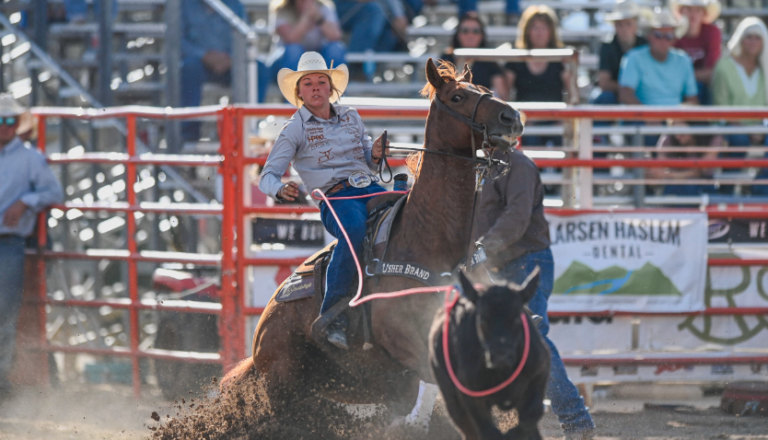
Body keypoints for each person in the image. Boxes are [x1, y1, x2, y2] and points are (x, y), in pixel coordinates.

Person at [258, 52, 388, 349]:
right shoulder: (294, 128)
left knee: (409, 214)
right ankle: (332, 316)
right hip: (336, 198)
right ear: (299, 91)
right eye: (308, 83)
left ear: (331, 88)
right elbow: (268, 176)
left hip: (369, 188)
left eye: (321, 81)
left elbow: (368, 158)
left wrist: (376, 153)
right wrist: (280, 190)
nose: (315, 87)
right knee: (353, 231)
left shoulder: (352, 116)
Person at [471, 146, 596, 440]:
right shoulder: (482, 165)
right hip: (502, 262)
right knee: (506, 338)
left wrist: (481, 249)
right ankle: (519, 419)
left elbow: (518, 215)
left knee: (532, 337)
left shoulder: (517, 164)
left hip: (522, 260)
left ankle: (576, 421)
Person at [0, 94, 63, 400]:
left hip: (9, 242)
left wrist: (27, 200)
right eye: (1, 121)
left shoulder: (29, 157)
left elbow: (53, 192)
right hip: (8, 245)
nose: (6, 126)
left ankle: (1, 379)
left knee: (4, 314)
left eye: (10, 121)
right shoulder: (28, 157)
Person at [182, 0, 270, 140]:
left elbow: (245, 37)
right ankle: (188, 133)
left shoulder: (235, 4)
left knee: (260, 69)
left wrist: (231, 58)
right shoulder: (186, 5)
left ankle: (248, 131)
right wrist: (205, 56)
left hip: (231, 64)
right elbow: (179, 41)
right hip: (200, 64)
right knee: (189, 68)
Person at [506, 5, 574, 146]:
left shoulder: (562, 58)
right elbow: (505, 96)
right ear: (527, 31)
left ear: (551, 31)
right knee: (527, 141)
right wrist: (519, 119)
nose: (539, 32)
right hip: (525, 121)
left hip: (556, 119)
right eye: (535, 27)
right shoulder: (515, 58)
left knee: (563, 140)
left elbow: (573, 94)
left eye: (544, 27)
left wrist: (561, 120)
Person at [619, 10, 698, 106]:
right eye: (658, 35)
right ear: (649, 36)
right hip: (642, 119)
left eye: (668, 36)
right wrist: (647, 117)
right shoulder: (634, 57)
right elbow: (625, 95)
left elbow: (693, 100)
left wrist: (678, 117)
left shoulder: (684, 59)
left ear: (674, 39)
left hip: (675, 119)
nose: (663, 41)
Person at [712, 17, 768, 149]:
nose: (753, 42)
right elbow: (721, 106)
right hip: (730, 127)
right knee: (740, 139)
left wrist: (760, 129)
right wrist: (746, 130)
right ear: (740, 38)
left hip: (760, 127)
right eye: (749, 36)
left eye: (758, 37)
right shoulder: (724, 66)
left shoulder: (765, 68)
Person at [441, 13, 508, 99]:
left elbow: (503, 96)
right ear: (457, 34)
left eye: (476, 31)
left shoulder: (489, 60)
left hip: (480, 108)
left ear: (482, 35)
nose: (470, 35)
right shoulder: (446, 58)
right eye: (465, 30)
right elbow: (439, 90)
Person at [593, 1, 648, 105]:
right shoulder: (607, 46)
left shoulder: (645, 45)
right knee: (605, 98)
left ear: (636, 25)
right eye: (620, 24)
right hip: (615, 95)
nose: (624, 29)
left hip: (639, 95)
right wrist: (627, 90)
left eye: (628, 24)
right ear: (614, 26)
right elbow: (604, 84)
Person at [646, 121, 720, 197]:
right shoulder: (668, 138)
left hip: (703, 185)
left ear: (694, 128)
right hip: (675, 185)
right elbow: (658, 171)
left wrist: (670, 174)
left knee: (690, 187)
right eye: (675, 132)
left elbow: (703, 169)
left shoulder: (711, 136)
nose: (677, 136)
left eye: (682, 132)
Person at [269, 0, 346, 73]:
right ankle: (293, 84)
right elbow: (291, 39)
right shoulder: (282, 10)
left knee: (335, 49)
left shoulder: (324, 8)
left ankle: (333, 83)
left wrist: (319, 18)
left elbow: (336, 36)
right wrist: (305, 18)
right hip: (285, 61)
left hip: (319, 56)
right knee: (294, 50)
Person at [671, 0, 722, 104]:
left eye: (698, 10)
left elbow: (712, 72)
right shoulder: (672, 33)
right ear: (681, 12)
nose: (693, 15)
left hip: (702, 87)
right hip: (676, 87)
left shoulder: (712, 32)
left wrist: (685, 76)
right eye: (688, 9)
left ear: (704, 13)